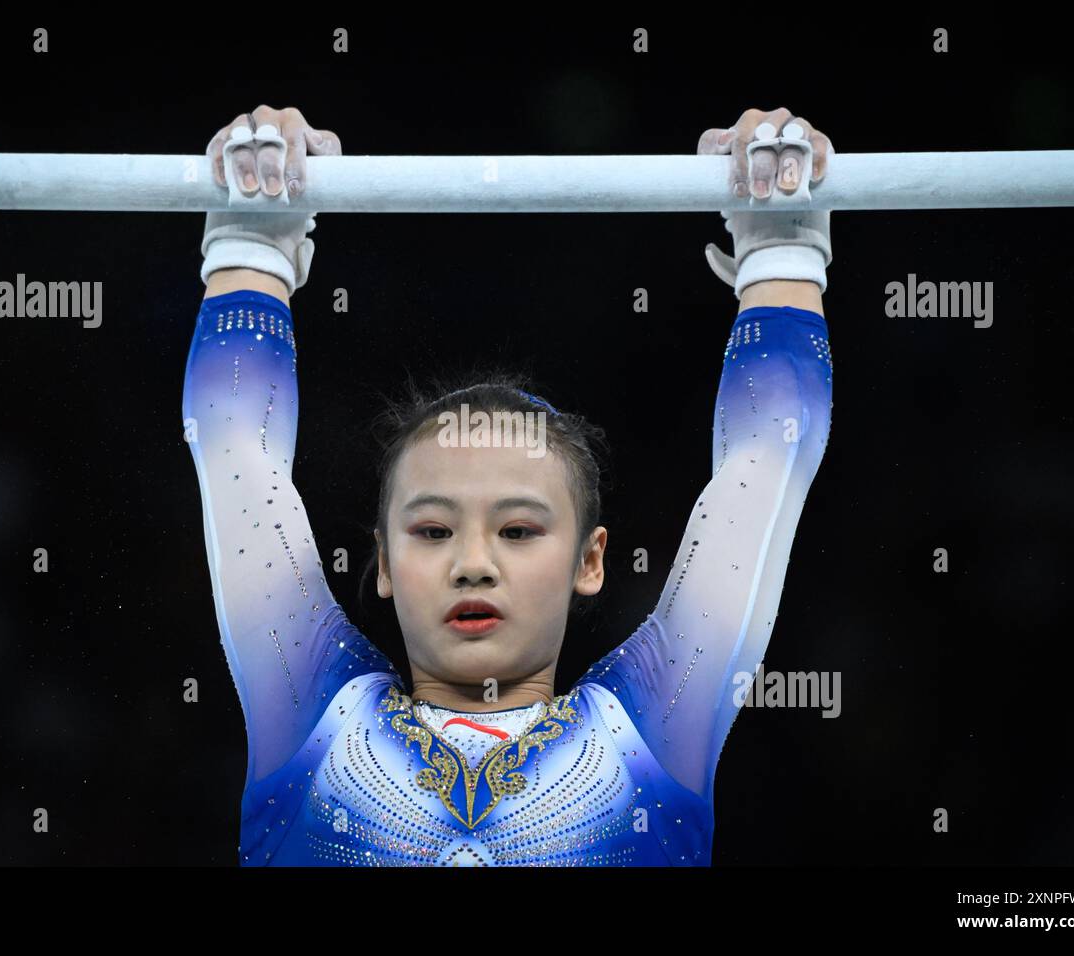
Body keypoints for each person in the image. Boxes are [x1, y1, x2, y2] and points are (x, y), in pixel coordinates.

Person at [181, 104, 834, 865]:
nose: (474, 563)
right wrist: (251, 238)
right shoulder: (312, 711)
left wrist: (781, 250)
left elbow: (766, 464)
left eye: (519, 530)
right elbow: (234, 456)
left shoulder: (653, 729)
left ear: (591, 560)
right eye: (431, 531)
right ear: (384, 563)